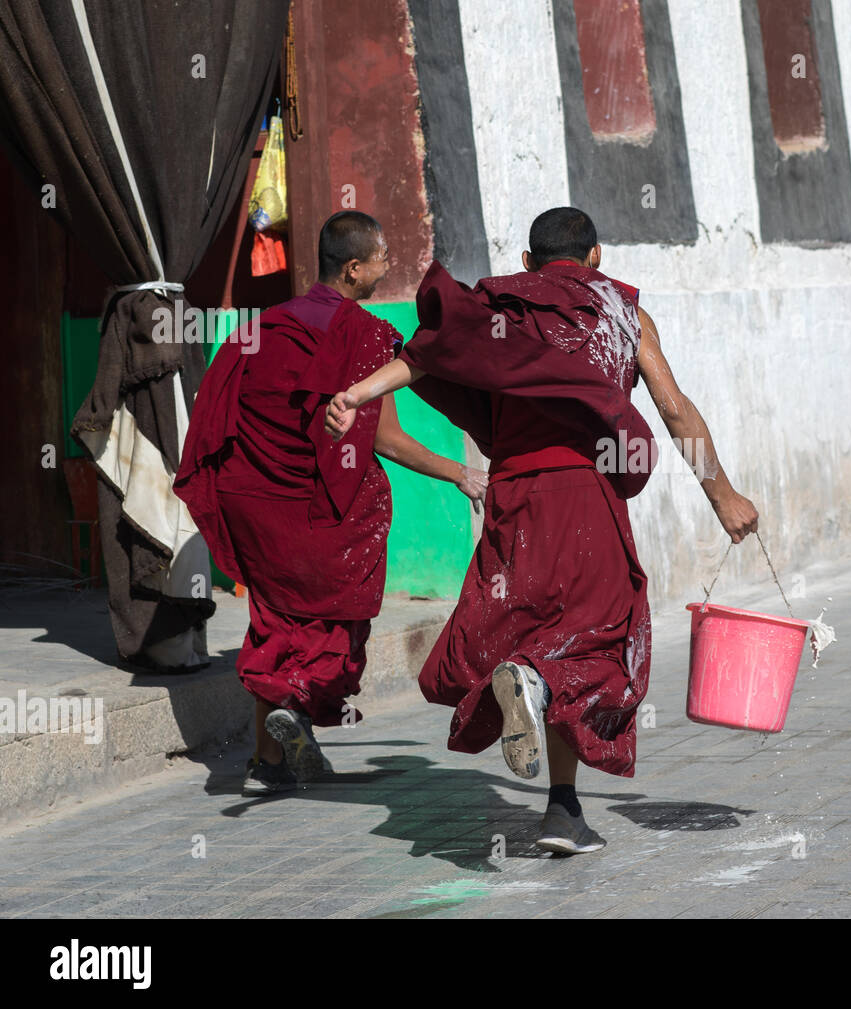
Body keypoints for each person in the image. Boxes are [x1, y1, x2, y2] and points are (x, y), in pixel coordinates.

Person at [325, 207, 759, 854]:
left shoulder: (499, 306)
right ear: (596, 256)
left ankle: (562, 808)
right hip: (587, 491)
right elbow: (672, 408)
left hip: (511, 496)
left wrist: (358, 394)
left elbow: (425, 354)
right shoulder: (620, 313)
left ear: (527, 263)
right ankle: (534, 687)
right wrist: (721, 493)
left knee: (537, 630)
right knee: (599, 635)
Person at [174, 211, 487, 797]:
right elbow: (384, 438)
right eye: (382, 257)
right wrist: (458, 473)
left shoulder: (261, 327)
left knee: (274, 623)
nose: (389, 265)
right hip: (321, 509)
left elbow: (217, 417)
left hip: (259, 501)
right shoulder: (362, 334)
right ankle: (295, 707)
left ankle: (267, 765)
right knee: (328, 619)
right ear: (353, 268)